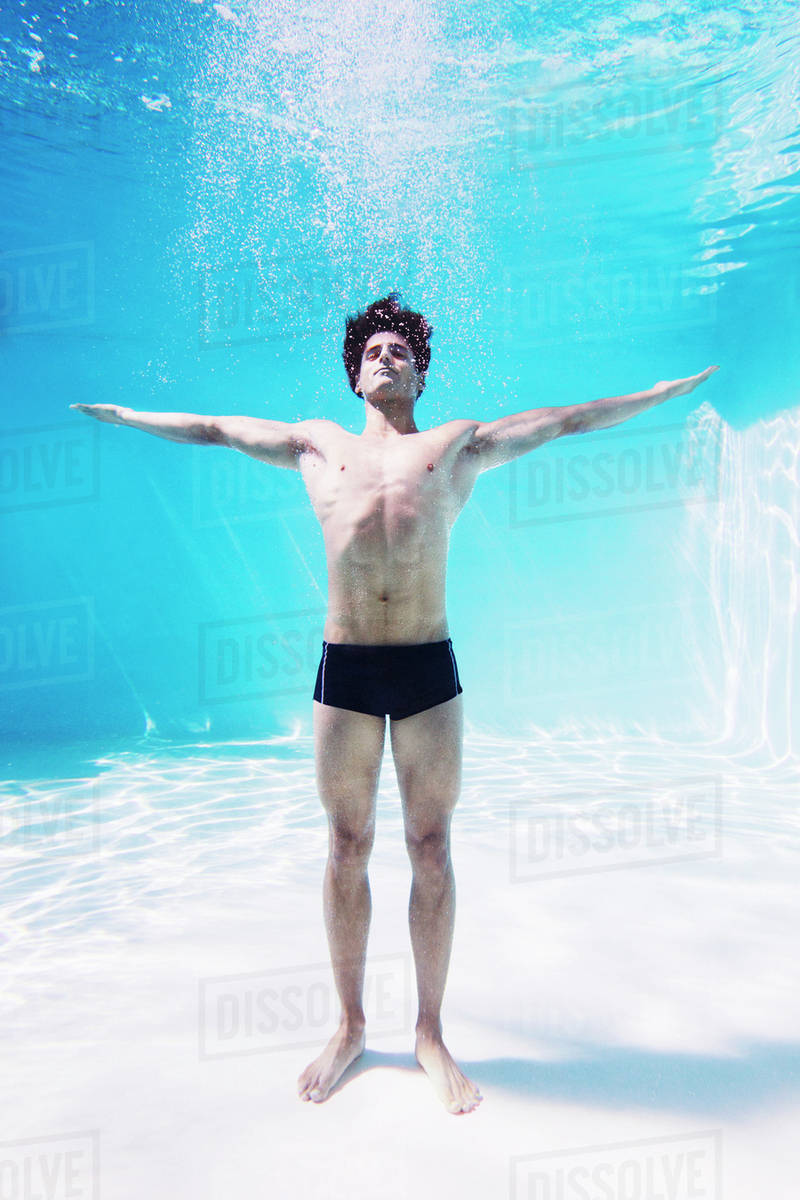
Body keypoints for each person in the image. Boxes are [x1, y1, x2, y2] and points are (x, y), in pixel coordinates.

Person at [71, 293, 718, 1114]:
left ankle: (430, 1033)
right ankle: (348, 1026)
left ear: (420, 371)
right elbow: (212, 428)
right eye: (373, 348)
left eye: (401, 349)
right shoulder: (317, 444)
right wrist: (128, 415)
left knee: (431, 847)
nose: (386, 355)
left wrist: (658, 394)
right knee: (346, 844)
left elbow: (568, 420)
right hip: (345, 669)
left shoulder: (456, 446)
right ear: (354, 374)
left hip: (426, 668)